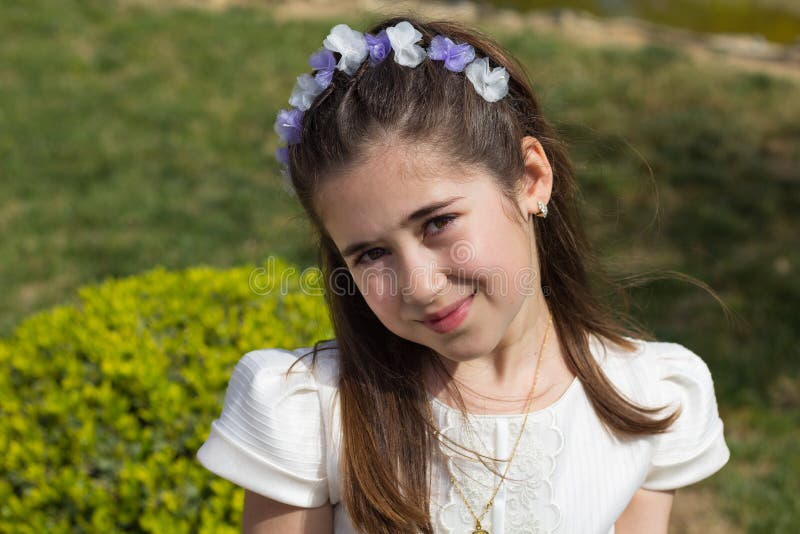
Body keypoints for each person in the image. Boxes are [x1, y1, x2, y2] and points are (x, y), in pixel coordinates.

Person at [196, 15, 731, 534]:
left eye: (438, 223)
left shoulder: (648, 398)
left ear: (531, 179)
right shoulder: (313, 411)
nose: (421, 286)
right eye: (370, 255)